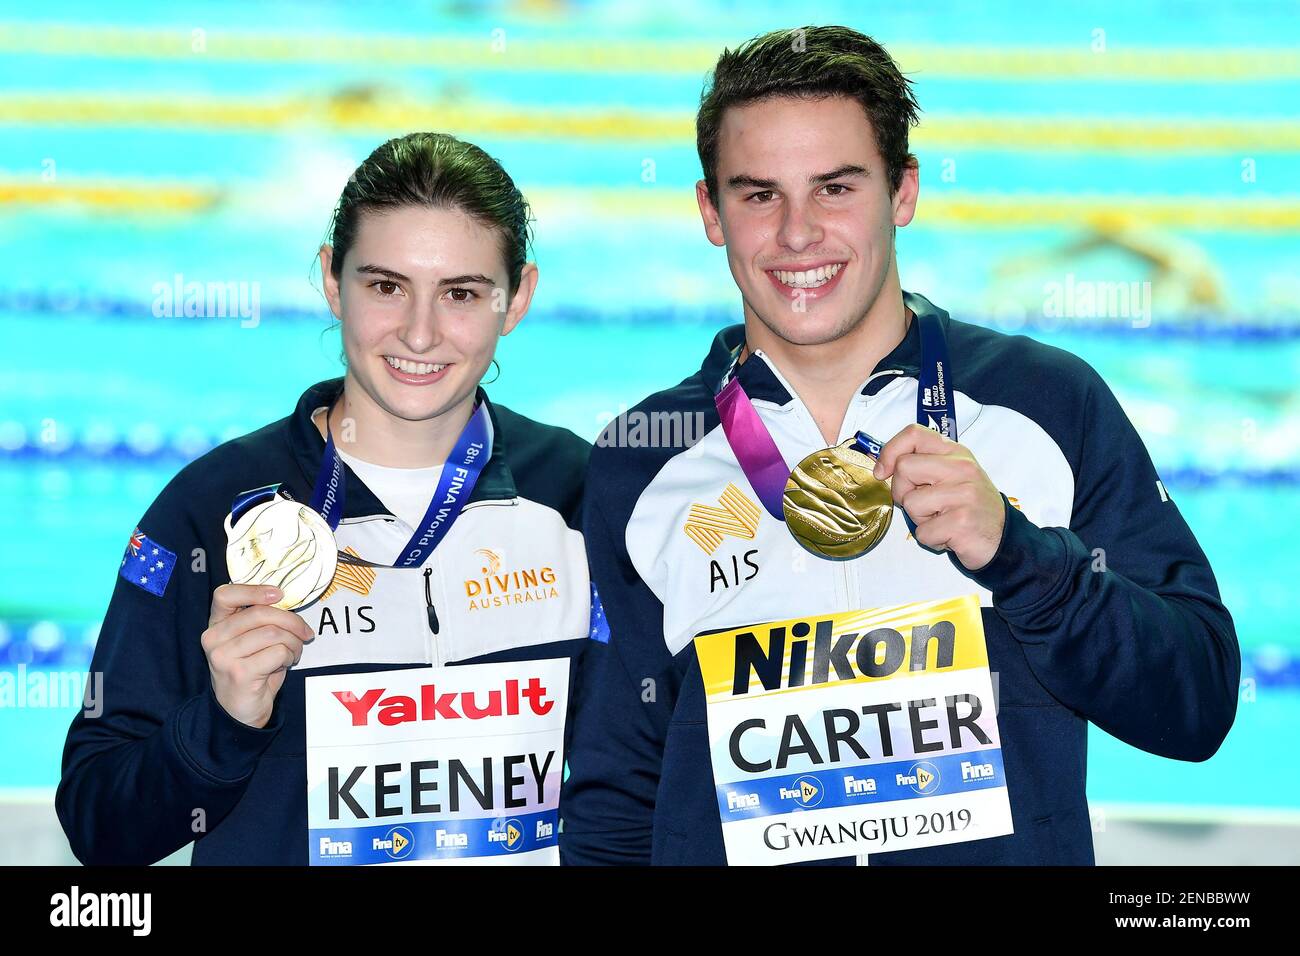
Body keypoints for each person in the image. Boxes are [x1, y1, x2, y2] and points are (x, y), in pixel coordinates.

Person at [560, 26, 1240, 865]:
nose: (798, 234)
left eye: (836, 189)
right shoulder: (643, 458)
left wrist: (1023, 558)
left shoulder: (1046, 406)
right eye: (758, 194)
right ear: (710, 211)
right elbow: (617, 798)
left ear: (903, 191)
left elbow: (1197, 703)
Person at [57, 132, 593, 865]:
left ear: (518, 297)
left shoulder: (578, 494)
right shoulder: (209, 511)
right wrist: (223, 722)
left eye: (461, 293)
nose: (419, 332)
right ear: (332, 282)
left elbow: (639, 778)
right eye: (385, 286)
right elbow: (98, 827)